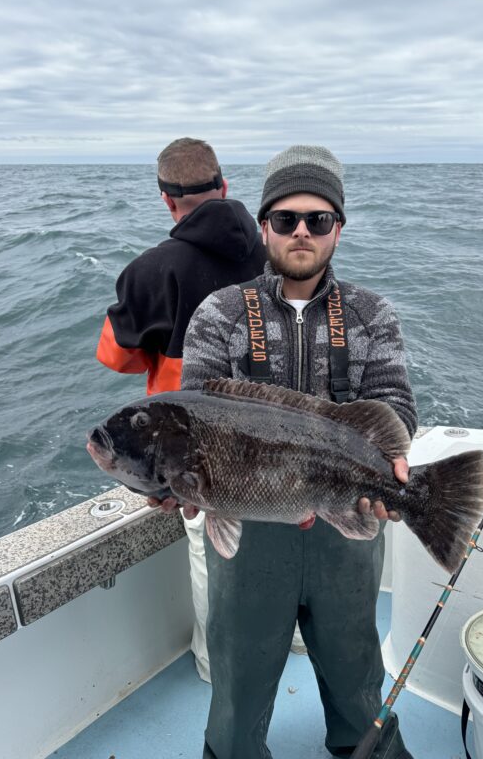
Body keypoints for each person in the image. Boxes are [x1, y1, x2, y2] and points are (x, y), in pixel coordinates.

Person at [173, 145, 418, 758]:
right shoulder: (221, 313)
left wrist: (390, 471)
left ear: (339, 228)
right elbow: (193, 414)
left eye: (318, 219)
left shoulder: (372, 314)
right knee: (239, 680)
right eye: (285, 219)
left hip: (346, 526)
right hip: (251, 532)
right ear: (263, 227)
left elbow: (393, 403)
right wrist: (177, 482)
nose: (301, 232)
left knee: (358, 671)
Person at [96, 137, 266, 681]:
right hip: (276, 436)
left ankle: (216, 665)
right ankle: (296, 643)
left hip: (196, 452)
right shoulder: (277, 246)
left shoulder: (150, 270)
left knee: (211, 552)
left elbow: (116, 358)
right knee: (287, 533)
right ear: (224, 186)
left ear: (166, 199)